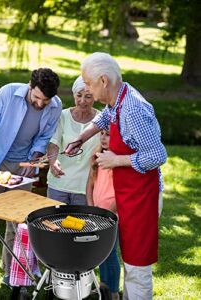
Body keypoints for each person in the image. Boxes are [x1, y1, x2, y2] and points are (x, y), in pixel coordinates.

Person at [65, 52, 167, 299]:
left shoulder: (133, 110)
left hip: (141, 196)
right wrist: (81, 138)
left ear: (103, 80)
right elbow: (105, 118)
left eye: (88, 83)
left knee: (137, 265)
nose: (87, 89)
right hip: (127, 193)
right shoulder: (118, 99)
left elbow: (158, 155)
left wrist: (116, 160)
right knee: (128, 261)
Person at [0, 68, 61, 285]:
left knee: (18, 221)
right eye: (37, 97)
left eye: (45, 100)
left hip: (24, 165)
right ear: (29, 85)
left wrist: (34, 159)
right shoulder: (8, 93)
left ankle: (12, 273)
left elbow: (45, 136)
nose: (40, 104)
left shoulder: (55, 106)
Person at [47, 75, 100, 205]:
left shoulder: (101, 120)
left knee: (80, 224)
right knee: (54, 222)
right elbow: (54, 142)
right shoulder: (63, 116)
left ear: (95, 97)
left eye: (88, 96)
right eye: (79, 95)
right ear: (74, 95)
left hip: (85, 186)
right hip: (59, 181)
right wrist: (53, 161)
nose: (82, 101)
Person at [86, 129, 120, 300]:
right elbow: (90, 184)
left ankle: (113, 291)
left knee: (110, 252)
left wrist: (109, 212)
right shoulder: (97, 156)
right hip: (97, 214)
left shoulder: (118, 161)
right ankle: (103, 286)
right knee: (101, 252)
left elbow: (121, 192)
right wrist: (92, 208)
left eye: (109, 134)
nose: (104, 137)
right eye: (103, 133)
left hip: (112, 215)